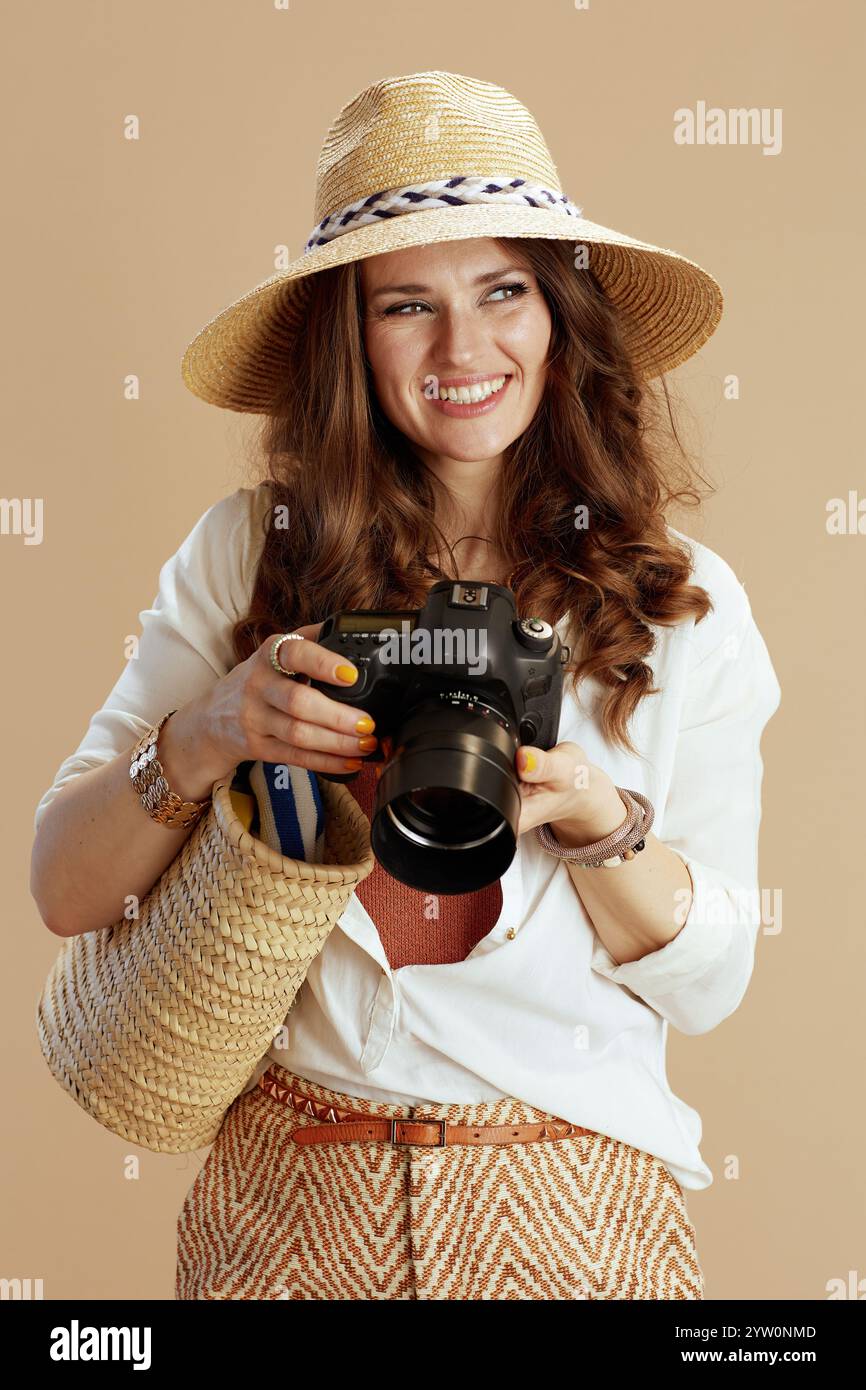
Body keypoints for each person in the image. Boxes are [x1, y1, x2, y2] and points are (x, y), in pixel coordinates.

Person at [30, 70, 781, 1301]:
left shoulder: (673, 599)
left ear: (556, 316)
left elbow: (710, 984)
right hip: (285, 1208)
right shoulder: (250, 552)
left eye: (502, 292)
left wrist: (601, 824)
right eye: (405, 306)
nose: (463, 349)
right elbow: (62, 885)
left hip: (577, 1209)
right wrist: (214, 725)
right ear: (349, 333)